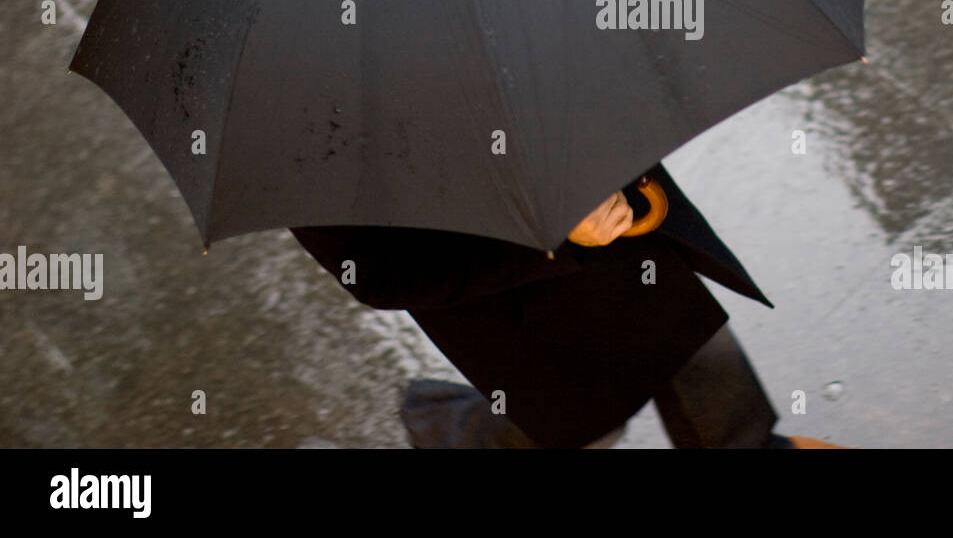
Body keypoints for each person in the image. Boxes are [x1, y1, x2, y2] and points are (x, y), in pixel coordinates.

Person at [290, 162, 841, 448]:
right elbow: (376, 272)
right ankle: (457, 429)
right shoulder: (293, 116)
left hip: (628, 242)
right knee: (583, 427)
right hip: (509, 298)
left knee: (703, 370)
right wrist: (551, 236)